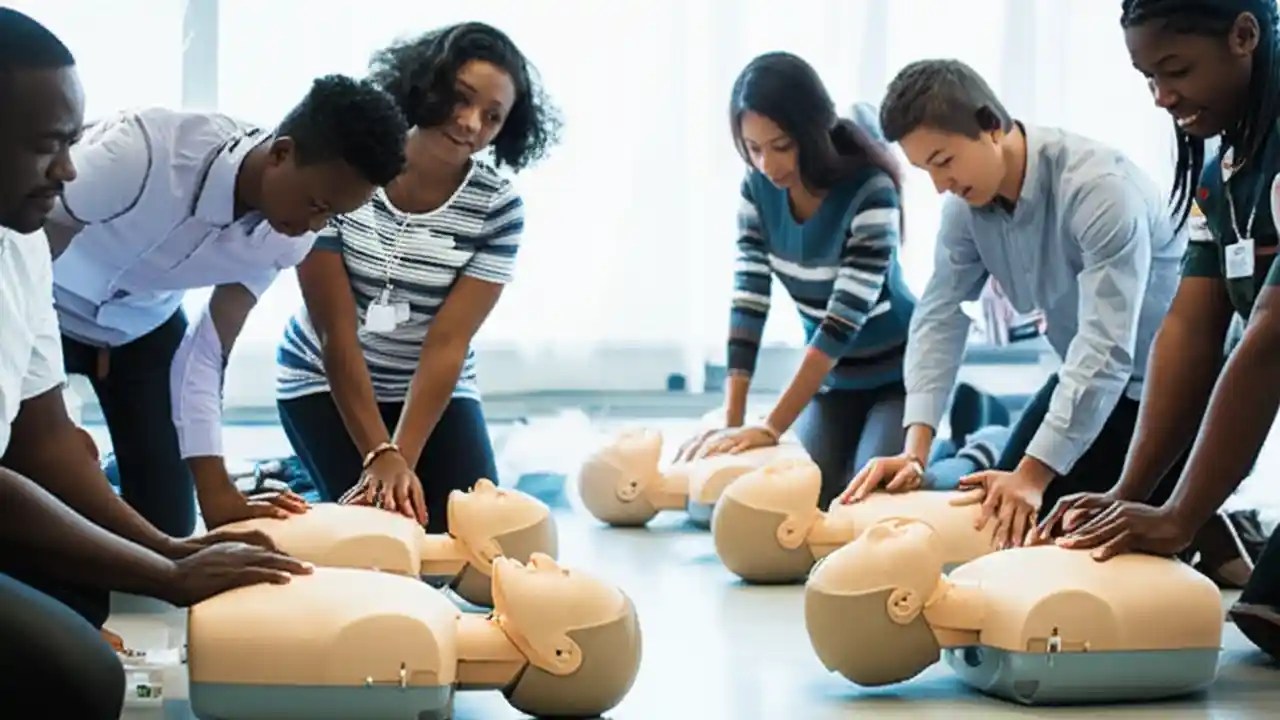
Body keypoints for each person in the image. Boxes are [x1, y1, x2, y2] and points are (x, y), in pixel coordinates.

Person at [0, 9, 311, 718]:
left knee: (88, 593)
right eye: (47, 146)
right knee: (78, 677)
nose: (67, 169)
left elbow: (45, 443)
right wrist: (168, 573)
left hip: (135, 330)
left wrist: (171, 549)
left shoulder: (17, 246)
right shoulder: (145, 154)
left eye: (71, 143)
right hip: (88, 315)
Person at [835, 58, 1188, 552]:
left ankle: (1214, 529)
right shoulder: (964, 209)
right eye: (925, 170)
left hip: (1171, 396)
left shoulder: (1100, 190)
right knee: (994, 521)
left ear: (991, 126)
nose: (940, 186)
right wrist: (915, 452)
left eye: (943, 160)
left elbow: (1106, 349)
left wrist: (1032, 475)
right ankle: (985, 441)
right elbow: (939, 318)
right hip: (1083, 382)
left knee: (1064, 537)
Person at [41, 70, 409, 536]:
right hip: (42, 303)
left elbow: (207, 353)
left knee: (167, 528)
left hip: (141, 324)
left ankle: (120, 469)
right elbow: (21, 254)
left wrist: (218, 493)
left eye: (334, 215)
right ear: (281, 153)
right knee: (47, 481)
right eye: (317, 204)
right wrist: (51, 406)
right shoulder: (142, 153)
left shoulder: (286, 236)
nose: (316, 227)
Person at [1035, 0, 1280, 659]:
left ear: (1243, 36)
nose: (1161, 97)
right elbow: (1191, 331)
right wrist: (1130, 491)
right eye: (1148, 77)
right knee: (1266, 620)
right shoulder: (1223, 173)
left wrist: (1180, 515)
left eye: (1175, 70)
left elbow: (1269, 339)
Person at [275, 22, 561, 532]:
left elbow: (447, 343)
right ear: (424, 85)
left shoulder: (498, 207)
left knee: (467, 544)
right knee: (379, 538)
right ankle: (296, 476)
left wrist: (399, 460)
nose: (472, 123)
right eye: (461, 98)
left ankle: (311, 477)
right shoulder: (350, 168)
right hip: (321, 376)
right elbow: (334, 333)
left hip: (428, 385)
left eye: (493, 117)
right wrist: (378, 456)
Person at [674, 54, 917, 510]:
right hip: (834, 384)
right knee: (804, 496)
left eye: (781, 145)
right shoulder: (756, 190)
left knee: (871, 497)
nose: (767, 163)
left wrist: (771, 426)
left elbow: (840, 323)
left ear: (813, 130)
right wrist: (734, 420)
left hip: (901, 376)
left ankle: (967, 434)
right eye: (753, 147)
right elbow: (749, 302)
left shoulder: (871, 191)